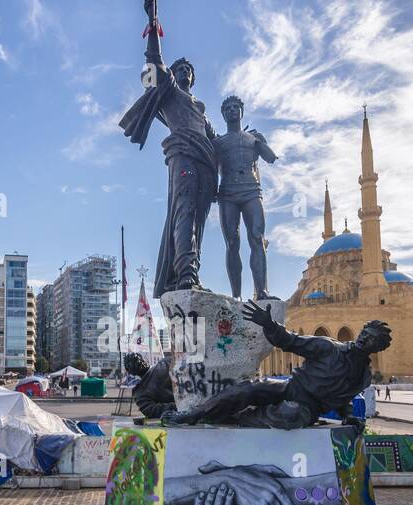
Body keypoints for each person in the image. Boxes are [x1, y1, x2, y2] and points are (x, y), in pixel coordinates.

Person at [120, 0, 217, 296]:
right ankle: (184, 274)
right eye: (180, 68)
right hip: (184, 156)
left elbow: (217, 140)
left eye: (189, 68)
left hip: (206, 163)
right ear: (172, 76)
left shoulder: (200, 107)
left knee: (198, 224)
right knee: (184, 213)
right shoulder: (172, 93)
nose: (185, 70)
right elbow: (154, 60)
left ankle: (191, 271)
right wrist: (152, 13)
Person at [162, 302, 391, 430]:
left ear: (377, 347)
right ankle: (191, 415)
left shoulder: (363, 376)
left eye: (371, 340)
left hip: (308, 407)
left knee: (290, 414)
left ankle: (236, 419)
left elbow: (344, 396)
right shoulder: (329, 347)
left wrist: (348, 415)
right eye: (365, 333)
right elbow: (290, 341)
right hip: (291, 387)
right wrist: (269, 324)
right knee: (249, 389)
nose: (364, 339)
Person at [215, 95, 279, 299]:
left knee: (257, 239)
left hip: (252, 190)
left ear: (241, 112)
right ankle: (236, 296)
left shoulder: (254, 138)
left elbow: (270, 158)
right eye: (228, 108)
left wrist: (260, 141)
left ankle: (261, 292)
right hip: (227, 193)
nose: (232, 110)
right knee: (232, 242)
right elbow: (209, 169)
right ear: (223, 114)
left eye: (236, 107)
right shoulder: (218, 143)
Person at [123, 352, 175, 420]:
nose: (138, 365)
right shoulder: (140, 393)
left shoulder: (140, 393)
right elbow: (152, 411)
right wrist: (180, 406)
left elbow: (152, 411)